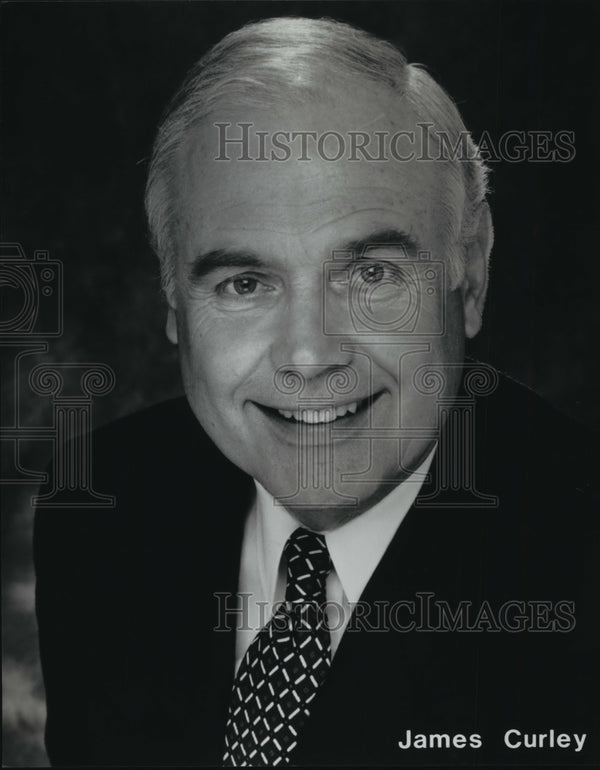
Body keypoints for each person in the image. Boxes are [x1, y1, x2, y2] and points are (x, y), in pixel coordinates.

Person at [34, 16, 598, 767]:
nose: (307, 356)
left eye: (371, 274)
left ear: (473, 270)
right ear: (173, 300)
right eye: (244, 282)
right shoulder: (100, 507)